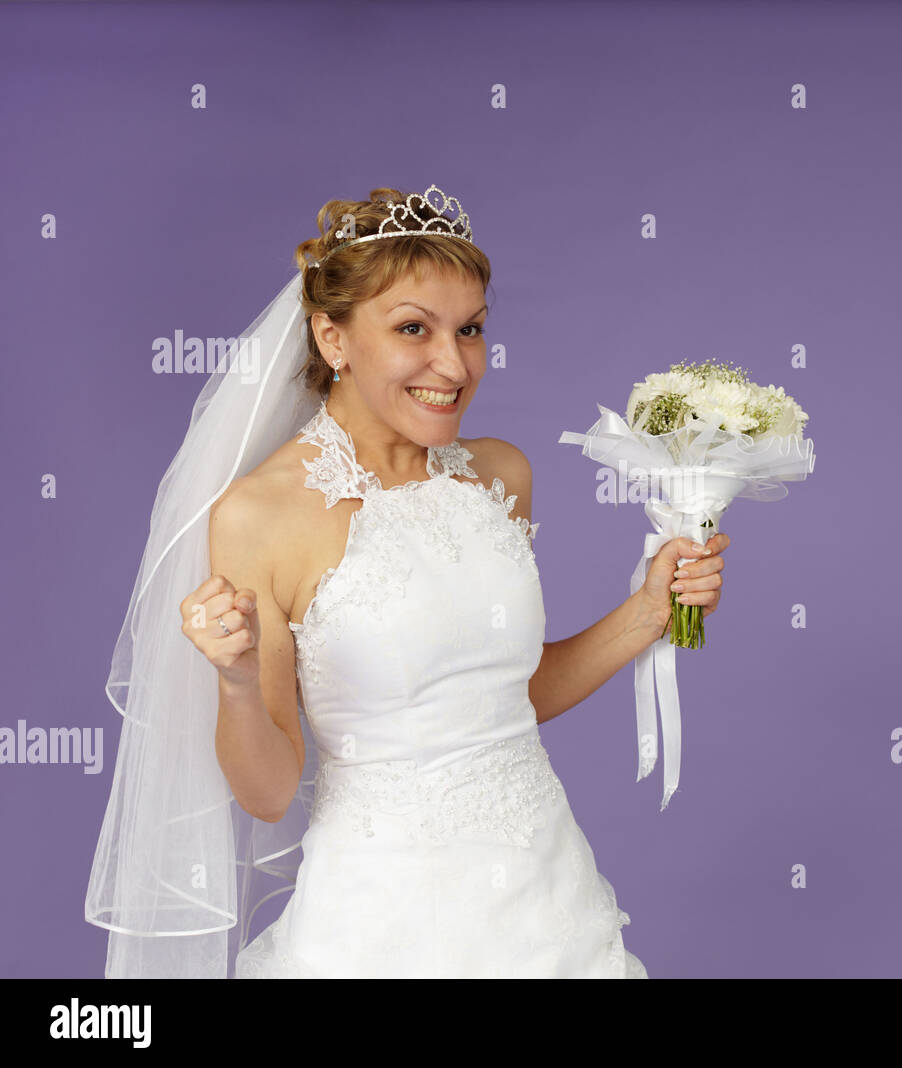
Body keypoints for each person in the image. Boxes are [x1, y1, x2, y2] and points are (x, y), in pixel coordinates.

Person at [85, 183, 730, 978]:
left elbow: (506, 698)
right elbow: (268, 792)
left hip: (548, 900)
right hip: (379, 925)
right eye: (413, 330)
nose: (453, 364)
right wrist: (239, 683)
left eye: (471, 330)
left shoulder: (500, 475)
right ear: (333, 338)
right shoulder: (260, 517)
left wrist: (648, 611)